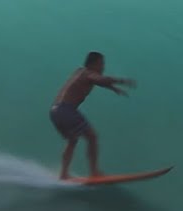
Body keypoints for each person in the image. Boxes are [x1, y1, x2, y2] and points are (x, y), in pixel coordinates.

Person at [49, 51, 137, 180]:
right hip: (66, 111)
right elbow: (99, 79)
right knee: (92, 137)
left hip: (55, 111)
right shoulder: (89, 73)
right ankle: (94, 172)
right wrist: (122, 81)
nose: (103, 67)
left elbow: (96, 81)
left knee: (72, 141)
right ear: (93, 64)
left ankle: (63, 174)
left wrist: (113, 88)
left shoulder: (80, 71)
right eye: (101, 64)